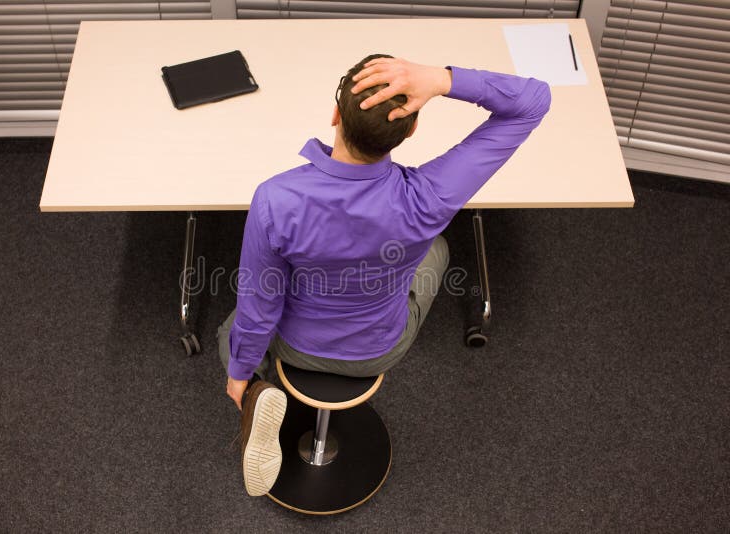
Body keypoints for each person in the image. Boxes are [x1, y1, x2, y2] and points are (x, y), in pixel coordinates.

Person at [217, 55, 552, 496]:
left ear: (335, 116)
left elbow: (259, 307)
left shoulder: (276, 199)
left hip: (296, 345)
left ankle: (258, 394)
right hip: (377, 350)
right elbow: (533, 100)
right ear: (411, 131)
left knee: (235, 327)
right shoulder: (428, 198)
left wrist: (240, 374)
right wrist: (441, 80)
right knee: (437, 248)